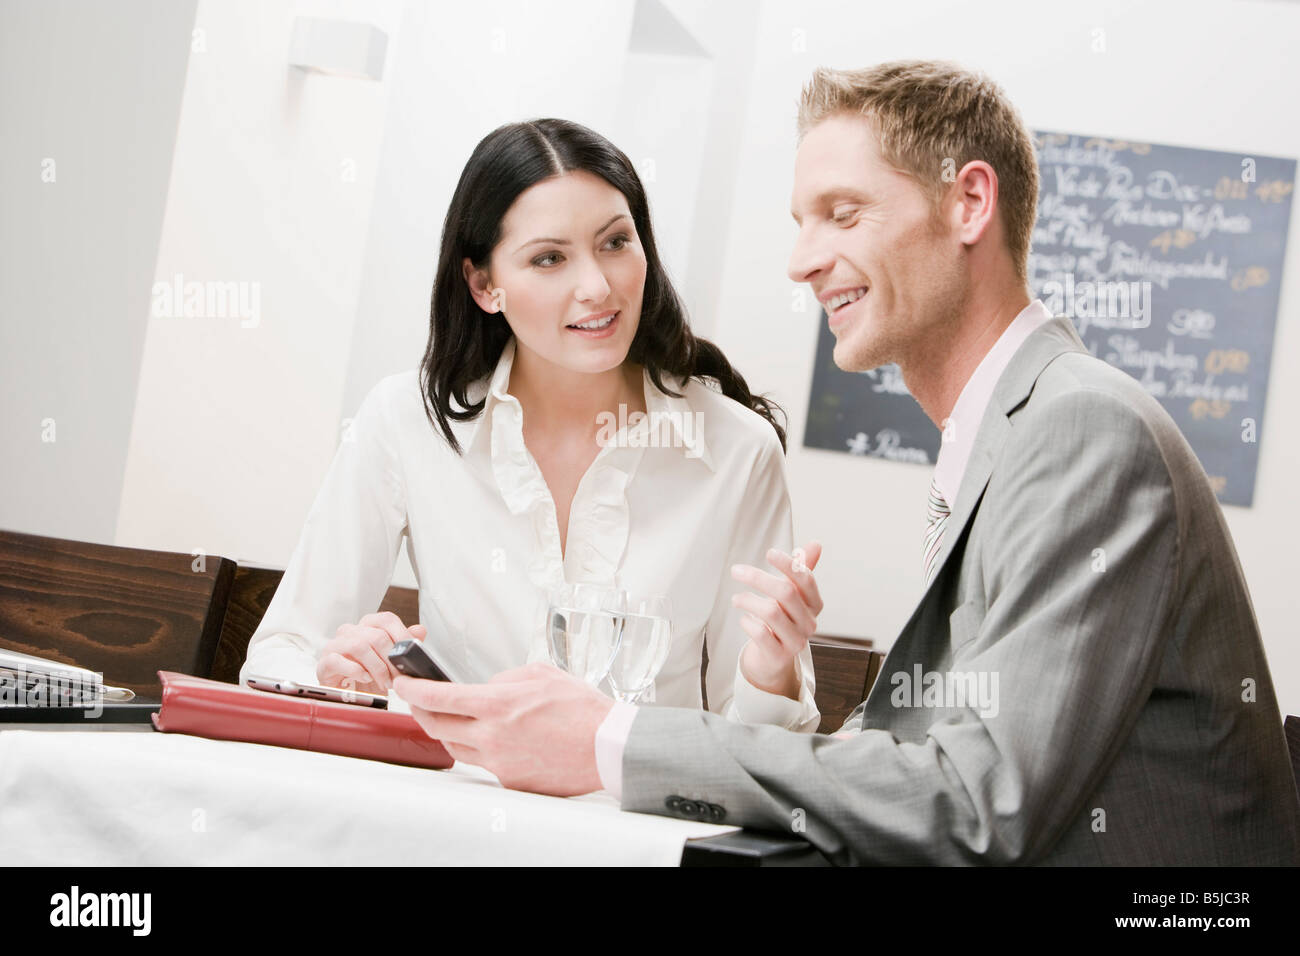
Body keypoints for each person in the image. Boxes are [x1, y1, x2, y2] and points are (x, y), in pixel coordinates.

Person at [392, 61, 1300, 865]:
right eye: (799, 221)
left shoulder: (1082, 430)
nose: (800, 261)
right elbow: (925, 769)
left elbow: (977, 807)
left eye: (842, 213)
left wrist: (607, 740)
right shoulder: (1005, 432)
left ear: (969, 204)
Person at [239, 118, 821, 734]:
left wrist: (771, 671)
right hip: (448, 804)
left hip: (634, 819)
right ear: (485, 284)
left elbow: (767, 750)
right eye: (549, 258)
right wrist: (338, 676)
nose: (597, 287)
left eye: (616, 243)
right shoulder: (403, 422)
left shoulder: (736, 450)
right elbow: (280, 652)